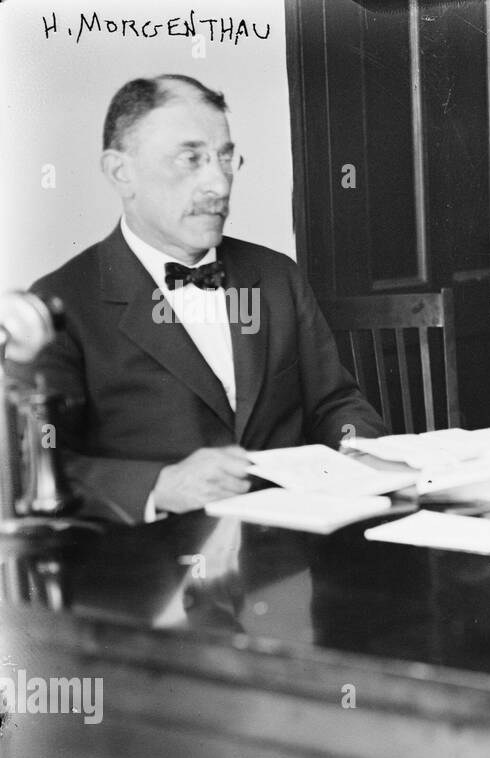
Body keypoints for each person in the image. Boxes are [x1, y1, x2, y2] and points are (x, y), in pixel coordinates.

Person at [27, 75, 386, 524]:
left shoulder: (276, 276)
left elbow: (334, 404)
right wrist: (157, 485)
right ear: (121, 172)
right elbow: (35, 467)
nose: (218, 183)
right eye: (190, 158)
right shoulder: (58, 304)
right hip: (149, 571)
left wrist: (361, 453)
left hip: (295, 553)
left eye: (225, 158)